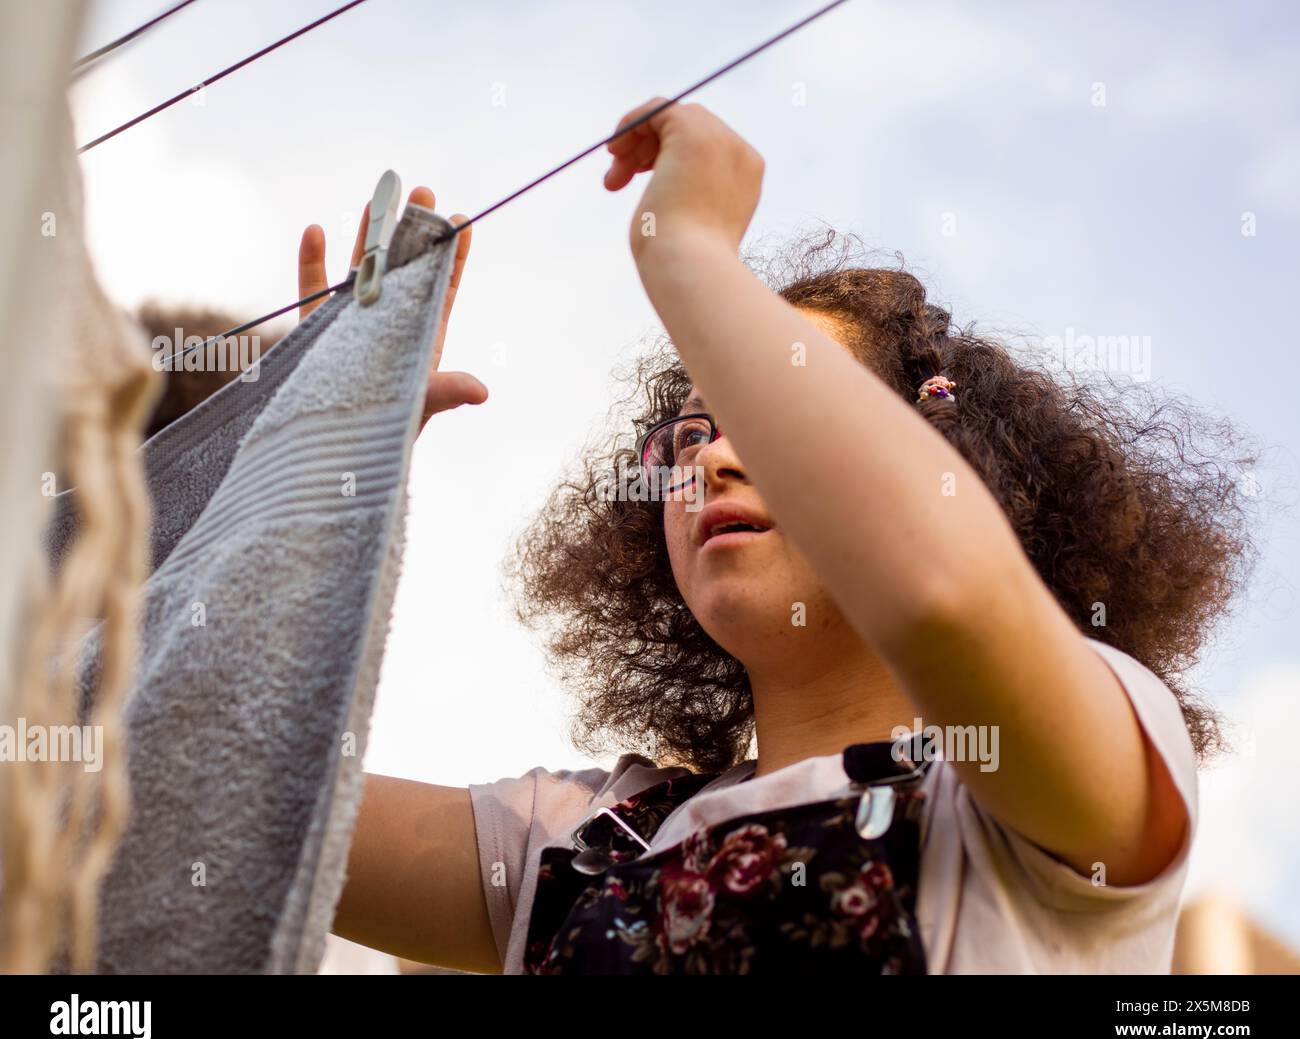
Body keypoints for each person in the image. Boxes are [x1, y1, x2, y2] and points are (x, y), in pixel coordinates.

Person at [304, 101, 1252, 974]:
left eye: (774, 415)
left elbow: (944, 592)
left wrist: (690, 255)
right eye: (690, 431)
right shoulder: (587, 834)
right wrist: (307, 490)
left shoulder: (1073, 750)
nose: (711, 460)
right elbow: (239, 809)